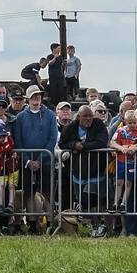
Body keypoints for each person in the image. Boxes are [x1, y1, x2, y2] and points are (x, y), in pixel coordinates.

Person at [13, 86, 58, 232]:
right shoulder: (20, 117)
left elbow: (52, 139)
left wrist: (40, 159)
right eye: (33, 96)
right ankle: (32, 225)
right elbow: (18, 141)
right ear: (28, 99)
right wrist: (27, 161)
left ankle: (50, 224)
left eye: (38, 96)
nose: (36, 99)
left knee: (47, 193)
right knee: (28, 194)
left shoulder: (50, 115)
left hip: (46, 161)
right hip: (26, 162)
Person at [62, 103, 110, 238]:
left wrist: (82, 146)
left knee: (91, 198)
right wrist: (73, 144)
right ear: (79, 117)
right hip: (78, 171)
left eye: (90, 116)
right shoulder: (71, 127)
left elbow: (102, 142)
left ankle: (100, 224)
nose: (88, 119)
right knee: (83, 201)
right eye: (85, 116)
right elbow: (62, 143)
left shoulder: (98, 124)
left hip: (96, 170)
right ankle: (91, 226)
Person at [0, 119, 18, 215]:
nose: (2, 138)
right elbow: (0, 151)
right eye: (0, 136)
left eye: (3, 136)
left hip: (13, 166)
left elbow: (10, 147)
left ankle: (11, 204)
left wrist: (6, 143)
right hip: (2, 167)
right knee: (2, 184)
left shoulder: (10, 139)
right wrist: (5, 146)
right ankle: (0, 204)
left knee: (12, 185)